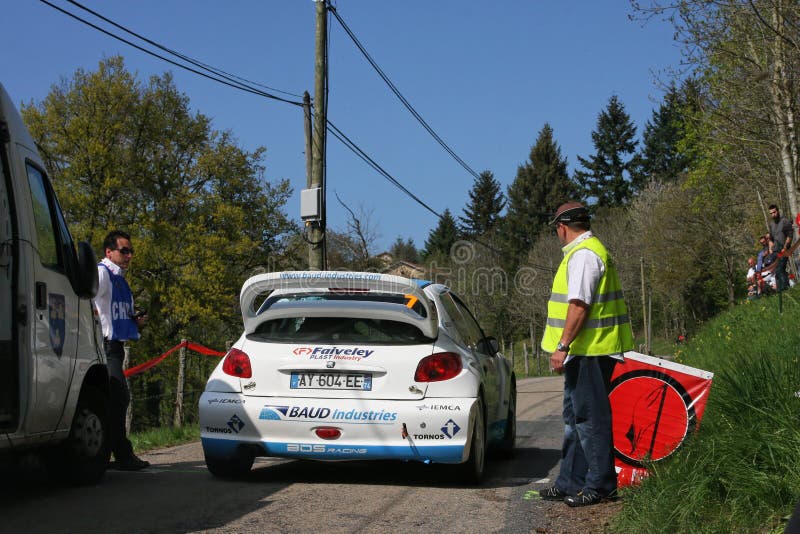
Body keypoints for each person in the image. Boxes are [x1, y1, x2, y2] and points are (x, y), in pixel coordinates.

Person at [538, 201, 634, 507]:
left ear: (562, 228)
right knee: (575, 419)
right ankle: (570, 482)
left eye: (556, 230)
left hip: (591, 351)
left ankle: (601, 486)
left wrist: (562, 346)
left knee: (590, 420)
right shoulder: (585, 253)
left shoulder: (583, 256)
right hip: (585, 351)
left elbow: (579, 305)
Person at [95, 230, 150, 471]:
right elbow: (89, 301)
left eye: (131, 251)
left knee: (115, 400)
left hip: (114, 346)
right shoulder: (103, 273)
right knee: (118, 398)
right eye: (123, 250)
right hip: (104, 345)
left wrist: (135, 321)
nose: (129, 255)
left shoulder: (119, 278)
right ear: (109, 252)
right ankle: (122, 455)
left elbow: (115, 311)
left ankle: (106, 454)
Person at [768, 204, 793, 292]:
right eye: (771, 213)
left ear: (778, 211)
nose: (773, 214)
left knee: (780, 269)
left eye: (774, 212)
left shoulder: (785, 221)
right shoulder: (771, 224)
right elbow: (770, 239)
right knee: (776, 272)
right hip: (774, 251)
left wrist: (785, 247)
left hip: (783, 249)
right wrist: (770, 249)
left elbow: (790, 236)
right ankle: (780, 292)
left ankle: (786, 289)